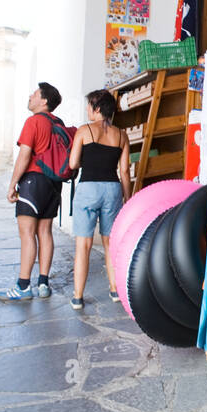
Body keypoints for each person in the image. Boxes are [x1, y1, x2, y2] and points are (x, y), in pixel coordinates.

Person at [68, 90, 131, 309]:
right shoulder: (122, 135)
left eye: (89, 106)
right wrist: (128, 197)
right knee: (110, 243)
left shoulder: (84, 131)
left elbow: (73, 163)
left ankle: (77, 296)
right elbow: (124, 172)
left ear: (96, 108)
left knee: (83, 244)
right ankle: (115, 290)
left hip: (88, 189)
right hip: (112, 189)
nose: (87, 110)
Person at [4, 81, 65, 300]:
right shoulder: (58, 122)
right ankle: (43, 283)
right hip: (53, 184)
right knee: (45, 231)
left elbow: (24, 155)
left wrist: (13, 184)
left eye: (35, 93)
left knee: (27, 233)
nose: (31, 95)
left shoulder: (33, 122)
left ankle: (22, 286)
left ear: (44, 101)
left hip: (32, 182)